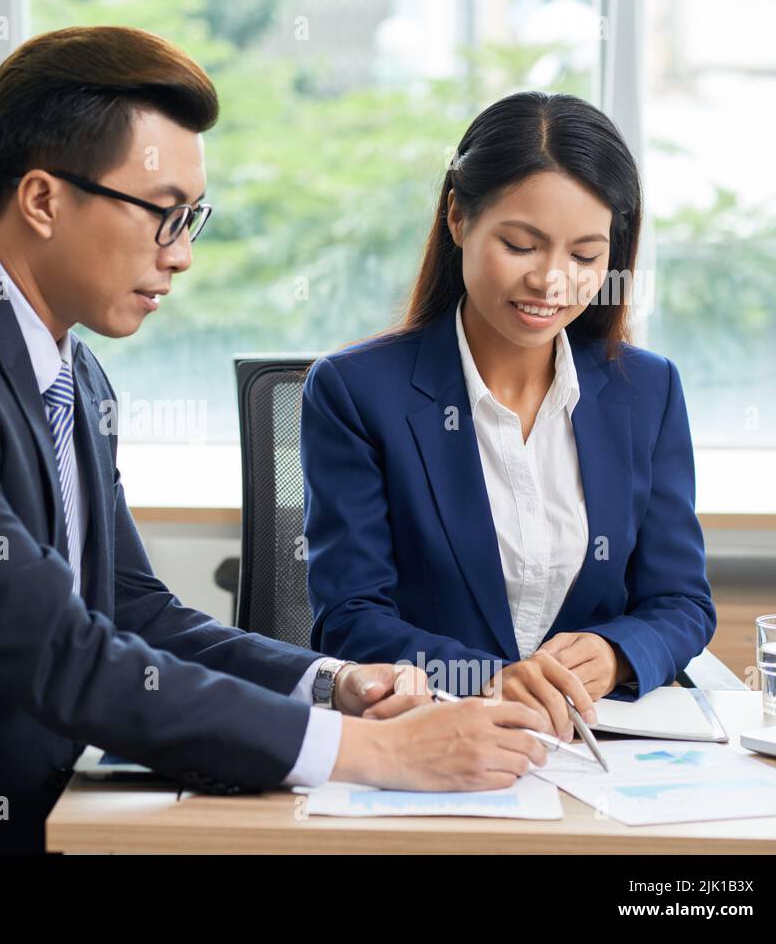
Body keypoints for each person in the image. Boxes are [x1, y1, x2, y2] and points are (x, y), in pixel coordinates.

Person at [0, 27, 549, 854]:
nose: (180, 255)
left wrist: (330, 684)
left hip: (14, 807)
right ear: (42, 199)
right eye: (161, 213)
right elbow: (65, 659)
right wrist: (380, 754)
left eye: (192, 218)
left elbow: (132, 609)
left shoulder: (71, 370)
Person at [301, 91, 716, 745]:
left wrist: (616, 653)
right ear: (459, 218)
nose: (552, 281)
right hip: (432, 743)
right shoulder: (355, 392)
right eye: (522, 244)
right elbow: (350, 619)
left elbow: (682, 603)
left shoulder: (648, 390)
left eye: (584, 256)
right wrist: (487, 677)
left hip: (601, 752)